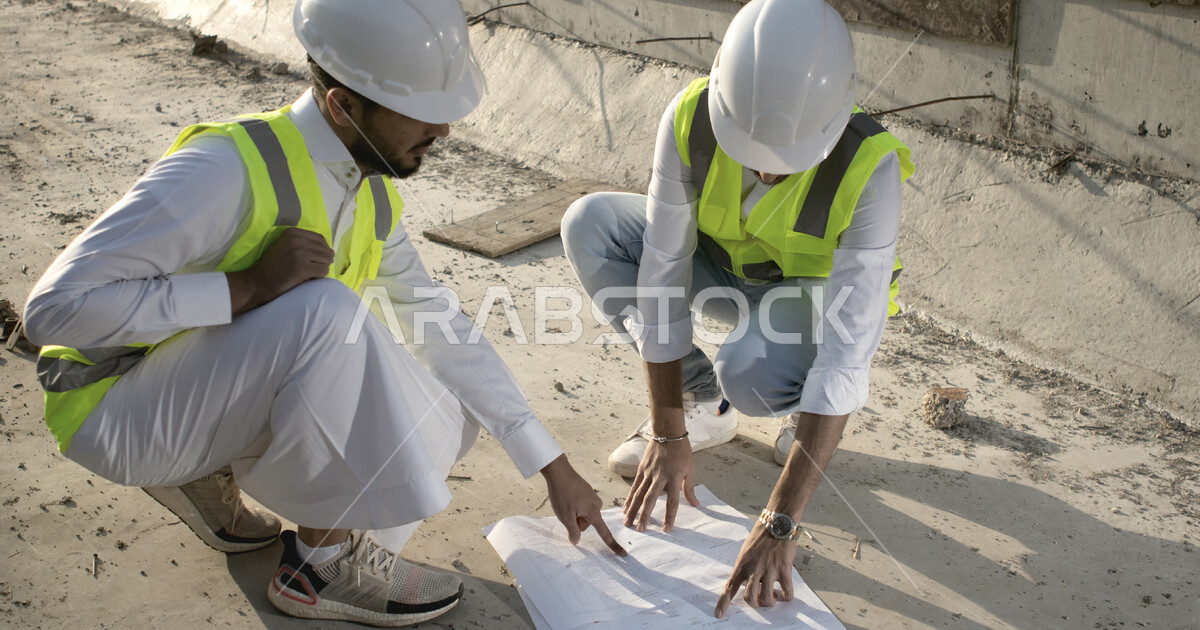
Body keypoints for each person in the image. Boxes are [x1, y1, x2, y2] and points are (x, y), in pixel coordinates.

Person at [24, 0, 623, 625]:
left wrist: (552, 465)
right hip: (112, 406)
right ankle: (321, 567)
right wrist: (246, 287)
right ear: (343, 106)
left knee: (449, 410)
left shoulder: (369, 193)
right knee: (322, 311)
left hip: (192, 391)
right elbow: (53, 312)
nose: (443, 132)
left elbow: (438, 325)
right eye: (423, 113)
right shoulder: (224, 169)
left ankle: (209, 469)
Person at [561, 0, 913, 617]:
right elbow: (662, 274)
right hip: (720, 268)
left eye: (785, 162)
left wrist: (779, 521)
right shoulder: (691, 117)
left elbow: (847, 349)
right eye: (749, 148)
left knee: (751, 373)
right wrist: (667, 427)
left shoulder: (870, 166)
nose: (763, 171)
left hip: (803, 300)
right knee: (591, 225)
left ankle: (784, 403)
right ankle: (702, 405)